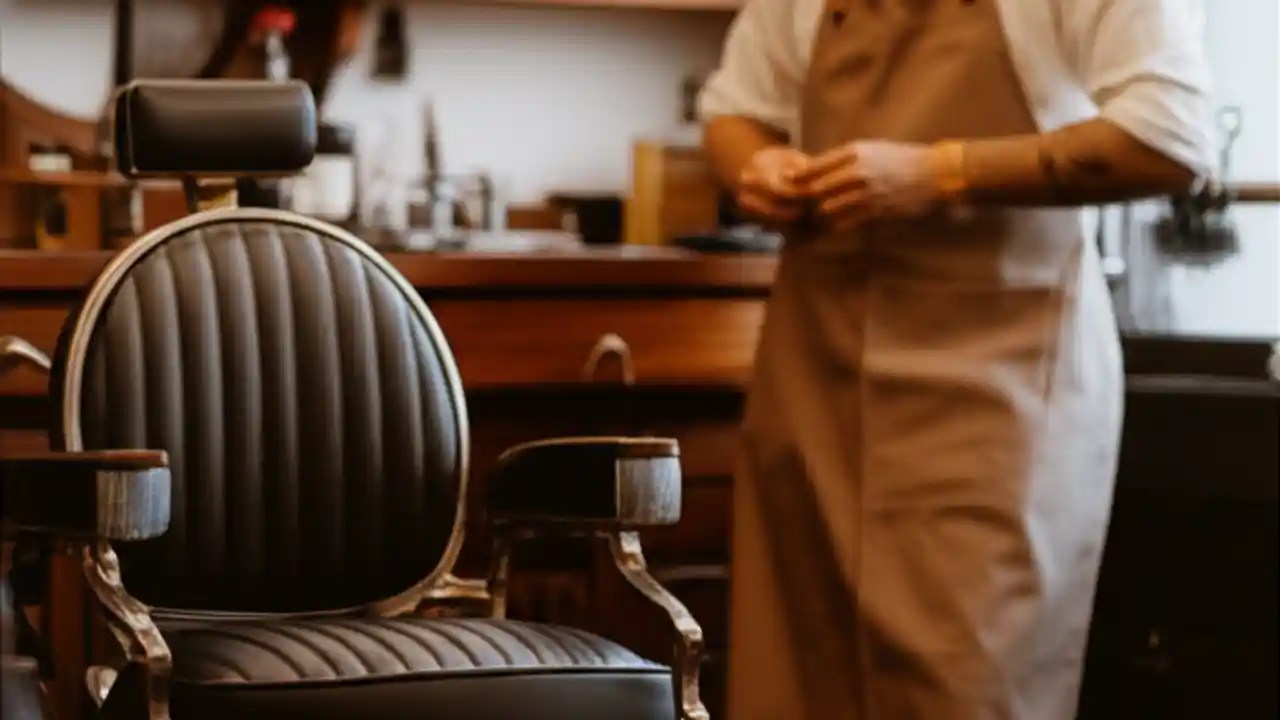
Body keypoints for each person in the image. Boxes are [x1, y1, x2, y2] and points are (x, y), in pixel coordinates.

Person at [698, 0, 1213, 718]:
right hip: (812, 369)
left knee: (966, 683)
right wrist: (757, 168)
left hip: (999, 377)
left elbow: (1170, 134)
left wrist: (944, 172)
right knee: (796, 674)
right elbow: (733, 110)